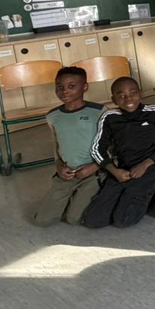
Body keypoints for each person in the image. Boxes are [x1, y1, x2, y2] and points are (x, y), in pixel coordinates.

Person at [84, 77, 155, 228]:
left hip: (149, 169)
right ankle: (127, 197)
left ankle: (150, 193)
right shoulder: (109, 117)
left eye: (133, 93)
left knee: (122, 220)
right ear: (114, 99)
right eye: (121, 95)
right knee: (93, 220)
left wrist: (145, 165)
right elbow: (97, 149)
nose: (128, 99)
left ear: (140, 93)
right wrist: (114, 171)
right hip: (121, 170)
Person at [31, 66, 103, 226]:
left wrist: (95, 166)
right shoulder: (52, 116)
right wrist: (58, 165)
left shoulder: (99, 111)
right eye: (59, 87)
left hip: (93, 172)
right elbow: (56, 144)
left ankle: (88, 194)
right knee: (42, 220)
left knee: (74, 219)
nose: (64, 91)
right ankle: (70, 198)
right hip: (68, 173)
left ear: (85, 87)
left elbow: (112, 144)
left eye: (72, 86)